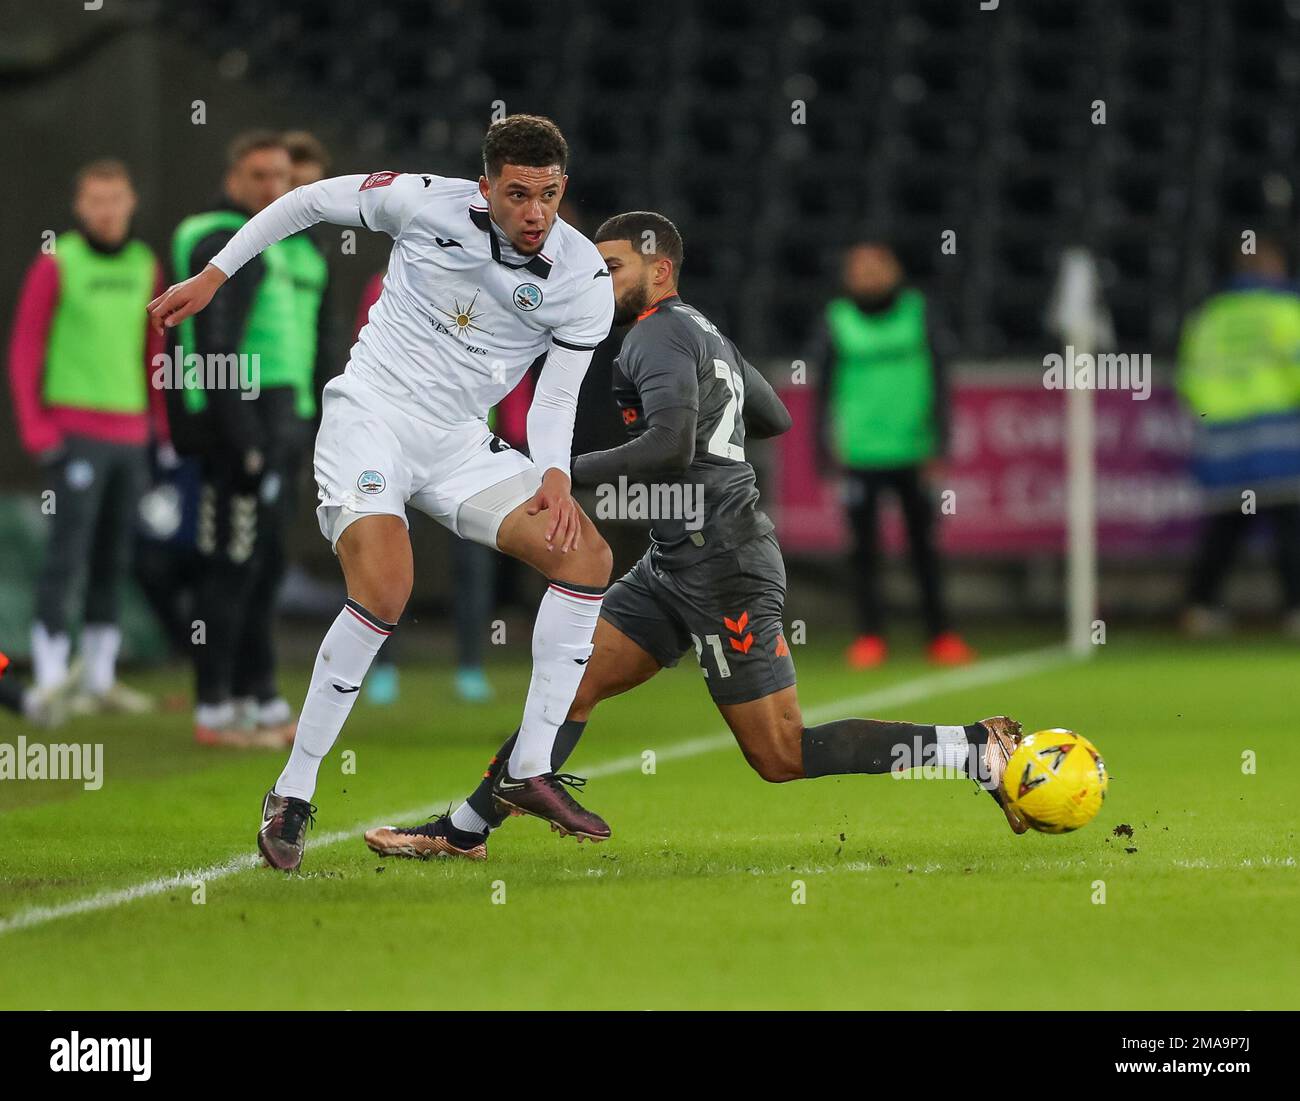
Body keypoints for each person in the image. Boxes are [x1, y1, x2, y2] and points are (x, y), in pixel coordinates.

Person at [364, 212, 1026, 862]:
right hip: (672, 564)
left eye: (612, 267)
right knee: (568, 683)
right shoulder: (702, 331)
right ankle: (464, 829)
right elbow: (770, 414)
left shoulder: (653, 336)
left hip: (723, 565)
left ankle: (970, 746)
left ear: (660, 268)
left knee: (781, 752)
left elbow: (671, 445)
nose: (597, 280)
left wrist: (561, 473)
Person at [148, 114, 616, 871]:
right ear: (486, 185)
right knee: (387, 588)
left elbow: (557, 397)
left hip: (461, 441)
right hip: (371, 415)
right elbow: (304, 203)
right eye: (520, 194)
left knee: (587, 557)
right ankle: (293, 792)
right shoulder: (421, 200)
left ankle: (528, 768)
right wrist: (214, 275)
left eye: (551, 195)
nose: (536, 213)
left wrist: (555, 475)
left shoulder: (583, 276)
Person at [168, 131, 325, 748]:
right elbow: (214, 348)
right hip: (242, 422)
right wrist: (241, 435)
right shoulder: (219, 239)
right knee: (230, 566)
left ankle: (254, 694)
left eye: (282, 177)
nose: (272, 188)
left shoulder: (274, 243)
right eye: (259, 176)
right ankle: (214, 705)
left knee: (260, 565)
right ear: (234, 176)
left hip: (277, 417)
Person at [7, 159, 168, 715]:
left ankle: (99, 678)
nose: (106, 210)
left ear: (130, 202)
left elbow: (154, 355)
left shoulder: (146, 264)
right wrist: (37, 428)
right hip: (75, 433)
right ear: (80, 206)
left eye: (115, 199)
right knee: (65, 554)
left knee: (114, 556)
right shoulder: (58, 263)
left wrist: (160, 428)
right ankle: (51, 678)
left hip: (130, 436)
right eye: (95, 200)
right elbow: (26, 347)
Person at [812, 241, 972, 669]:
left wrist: (940, 440)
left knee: (925, 547)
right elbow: (822, 390)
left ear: (895, 270)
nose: (869, 276)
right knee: (863, 551)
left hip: (913, 449)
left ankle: (940, 634)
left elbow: (940, 377)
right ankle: (869, 636)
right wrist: (823, 449)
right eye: (859, 268)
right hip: (859, 452)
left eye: (877, 267)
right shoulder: (838, 320)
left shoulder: (919, 311)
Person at [353, 270, 498, 705]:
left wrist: (514, 430)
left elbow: (507, 364)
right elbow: (363, 352)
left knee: (472, 564)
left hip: (466, 449)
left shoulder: (490, 286)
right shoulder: (387, 282)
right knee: (388, 557)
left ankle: (471, 666)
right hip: (395, 444)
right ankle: (383, 666)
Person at [1177, 233, 1300, 636]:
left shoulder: (1210, 317)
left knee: (1226, 528)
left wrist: (1213, 416)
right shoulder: (1285, 310)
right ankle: (1295, 610)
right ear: (1272, 266)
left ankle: (1199, 607)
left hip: (1225, 440)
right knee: (1290, 526)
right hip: (1279, 435)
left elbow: (1190, 377)